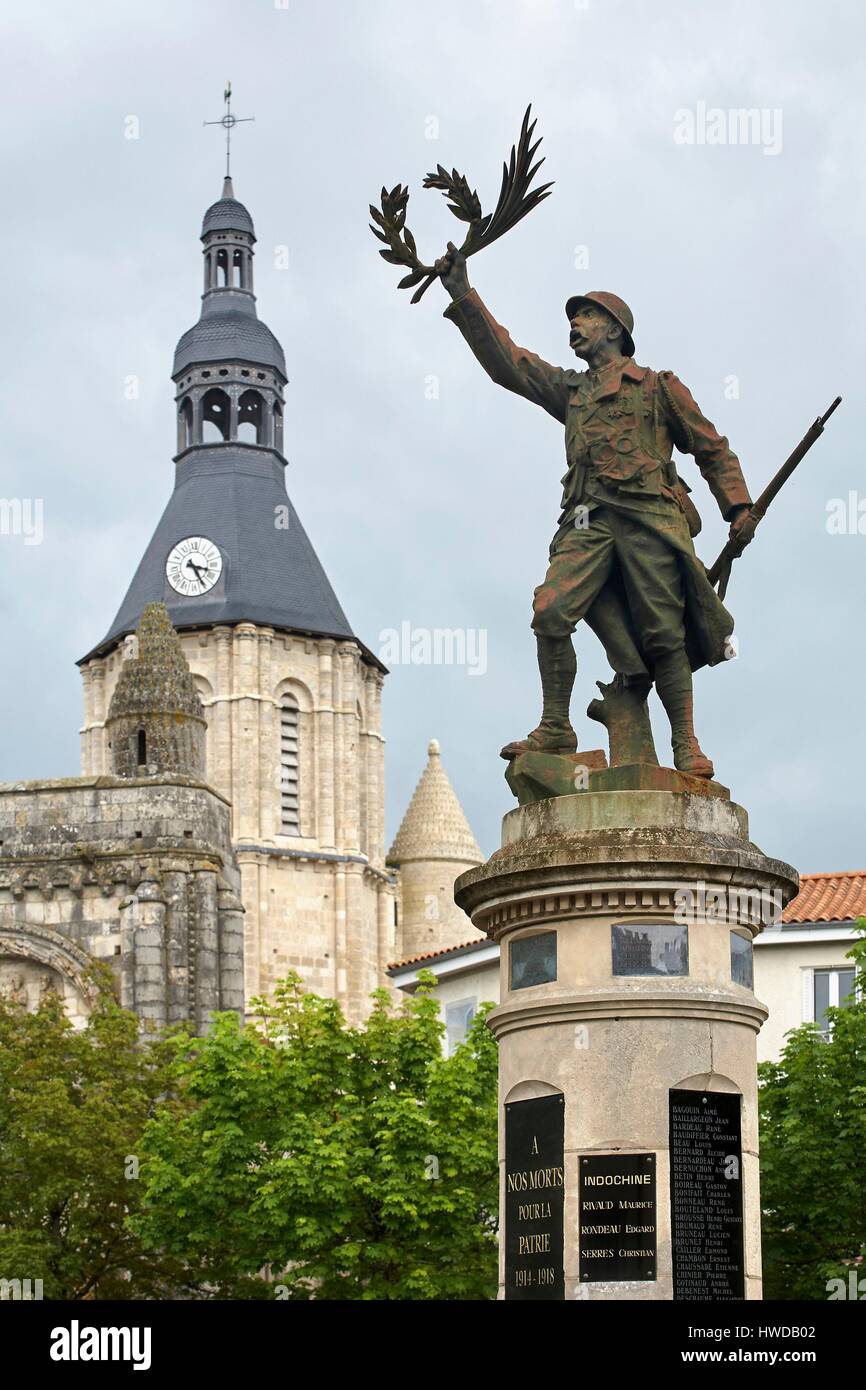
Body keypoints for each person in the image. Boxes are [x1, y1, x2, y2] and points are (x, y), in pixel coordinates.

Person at [435, 243, 757, 778]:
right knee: (550, 610)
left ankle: (685, 742)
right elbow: (509, 364)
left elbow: (711, 447)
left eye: (585, 315)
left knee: (663, 634)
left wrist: (737, 506)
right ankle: (556, 725)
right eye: (574, 318)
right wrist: (462, 292)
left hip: (651, 518)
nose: (575, 325)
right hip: (587, 520)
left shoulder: (658, 387)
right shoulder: (572, 390)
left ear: (614, 328)